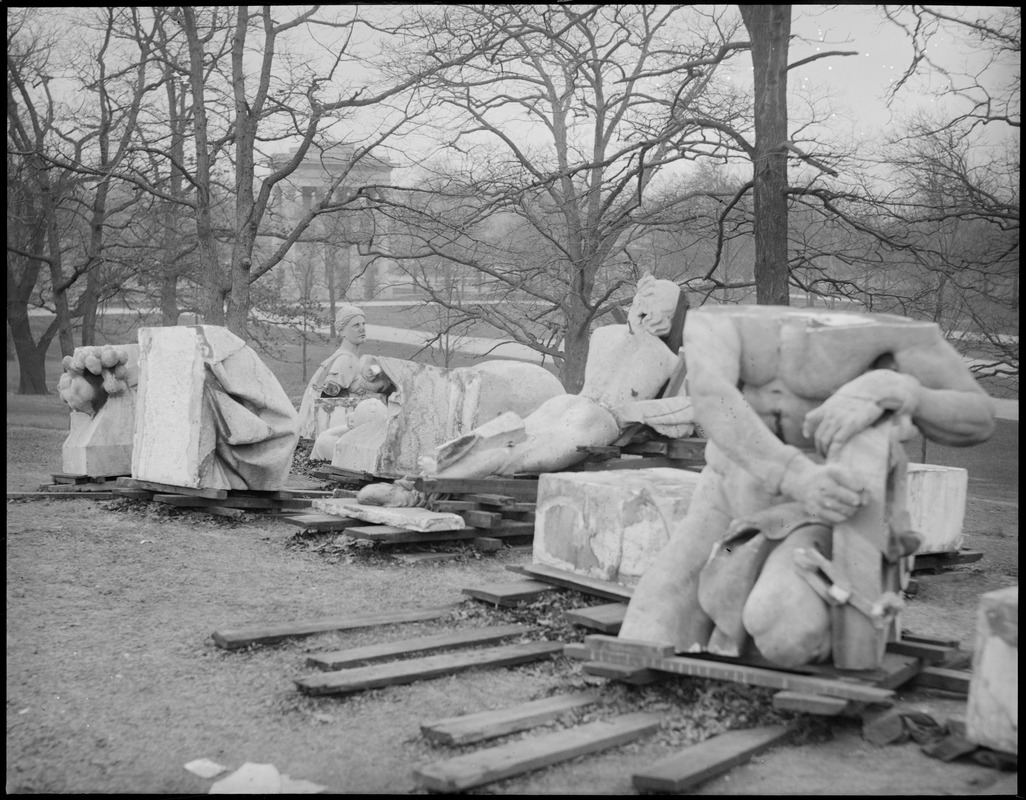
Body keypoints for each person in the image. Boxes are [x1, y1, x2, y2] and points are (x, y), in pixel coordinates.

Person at [617, 303, 997, 667]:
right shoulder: (720, 322)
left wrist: (900, 389)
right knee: (648, 631)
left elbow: (978, 417)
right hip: (729, 496)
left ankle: (836, 614)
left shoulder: (896, 335)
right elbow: (713, 399)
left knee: (781, 632)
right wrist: (797, 476)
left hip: (822, 512)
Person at [356, 274, 697, 506]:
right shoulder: (667, 359)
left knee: (495, 434)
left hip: (569, 403)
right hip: (596, 420)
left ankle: (412, 484)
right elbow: (678, 422)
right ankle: (415, 492)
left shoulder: (606, 336)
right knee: (509, 453)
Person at [297, 303, 393, 442]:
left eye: (363, 324)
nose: (362, 329)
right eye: (356, 325)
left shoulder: (350, 358)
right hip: (331, 434)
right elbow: (329, 397)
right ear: (342, 332)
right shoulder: (346, 360)